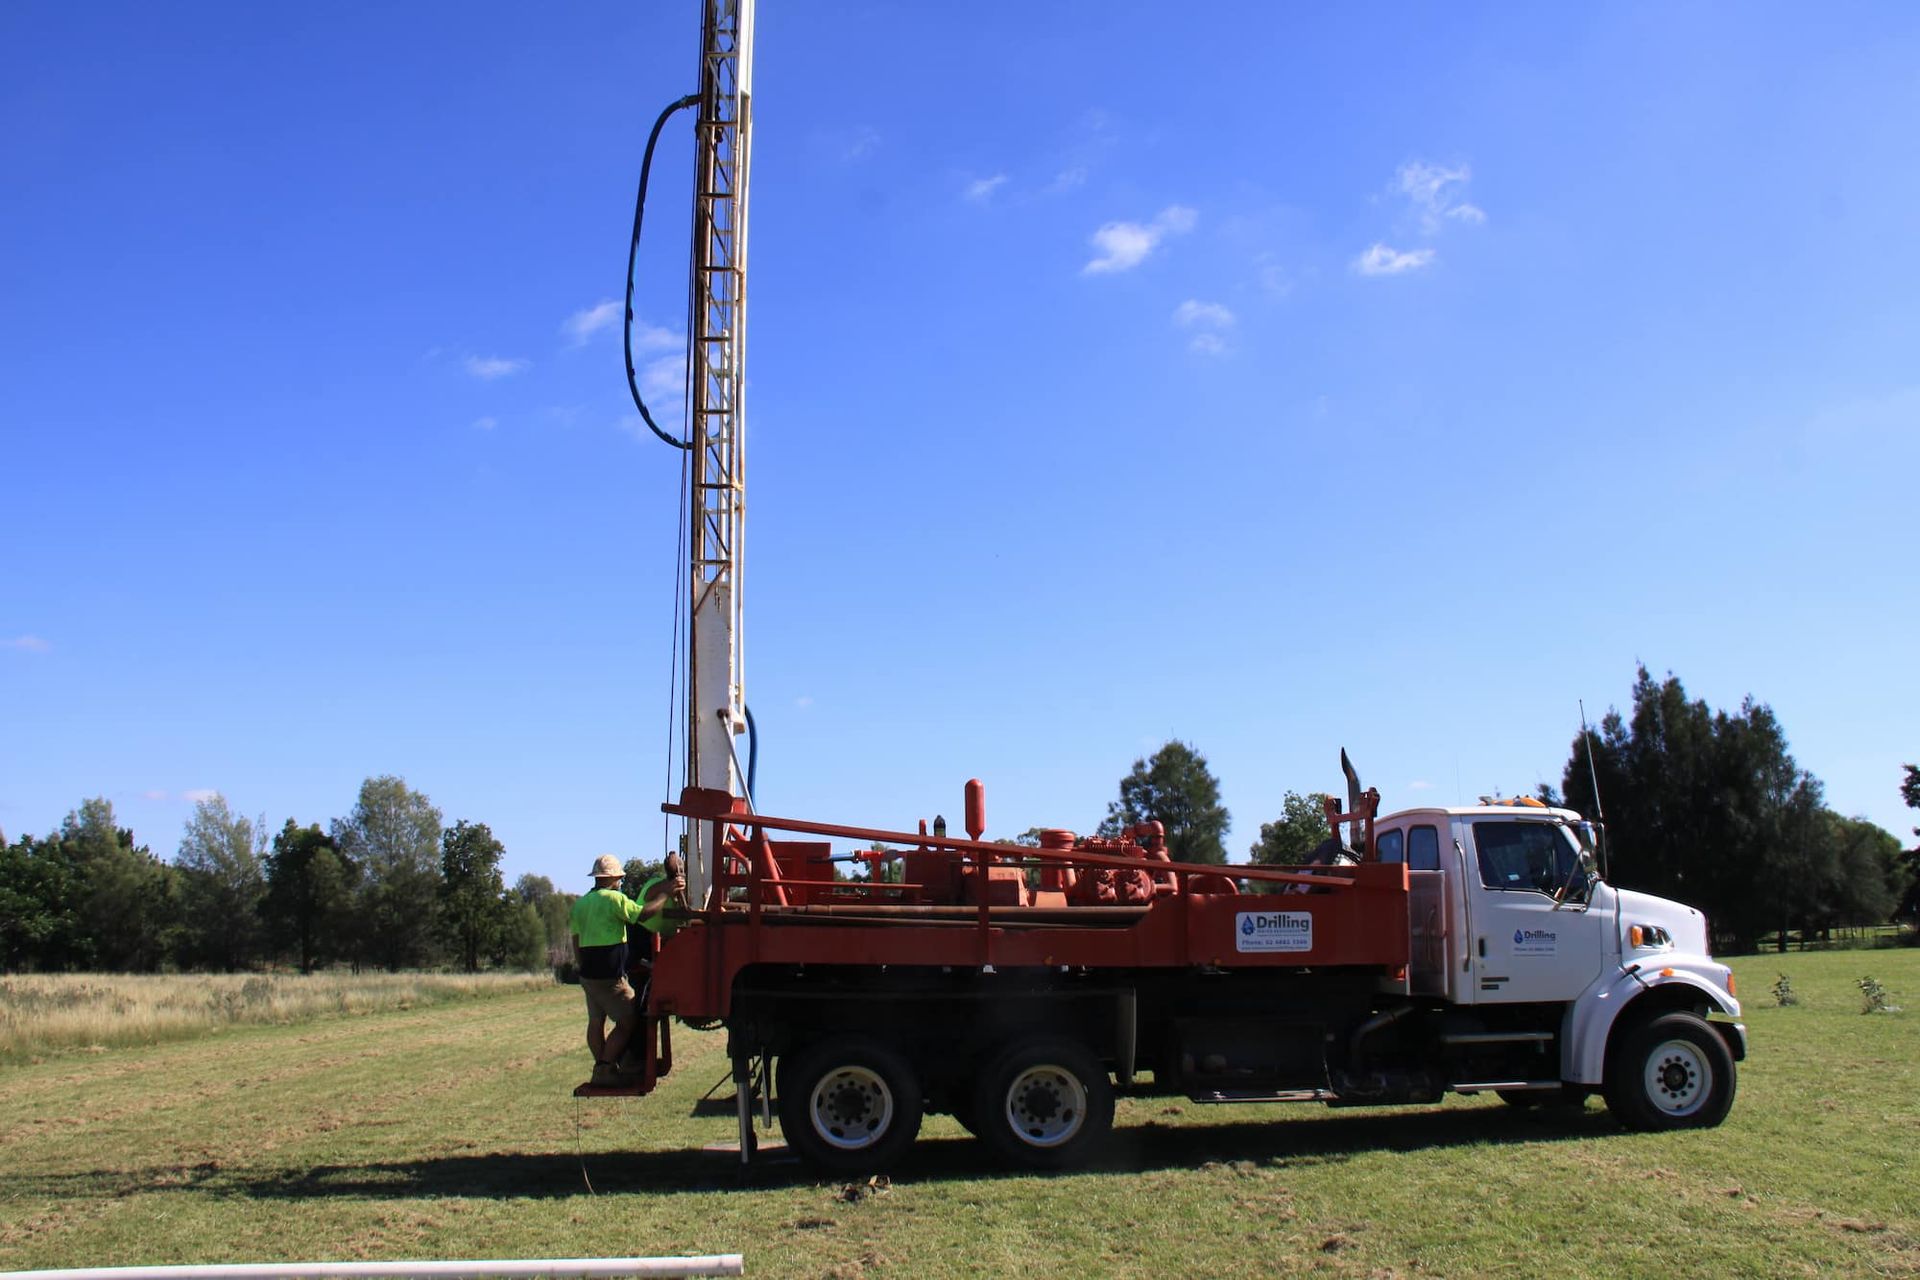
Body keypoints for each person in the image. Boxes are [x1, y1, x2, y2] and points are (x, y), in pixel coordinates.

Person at [569, 853, 682, 1086]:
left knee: (595, 1021)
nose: (620, 882)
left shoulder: (580, 904)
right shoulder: (615, 899)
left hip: (588, 975)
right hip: (610, 977)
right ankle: (606, 1066)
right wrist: (665, 894)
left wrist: (582, 969)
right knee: (630, 1019)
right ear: (613, 878)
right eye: (619, 878)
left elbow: (575, 941)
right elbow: (643, 914)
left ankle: (603, 1069)